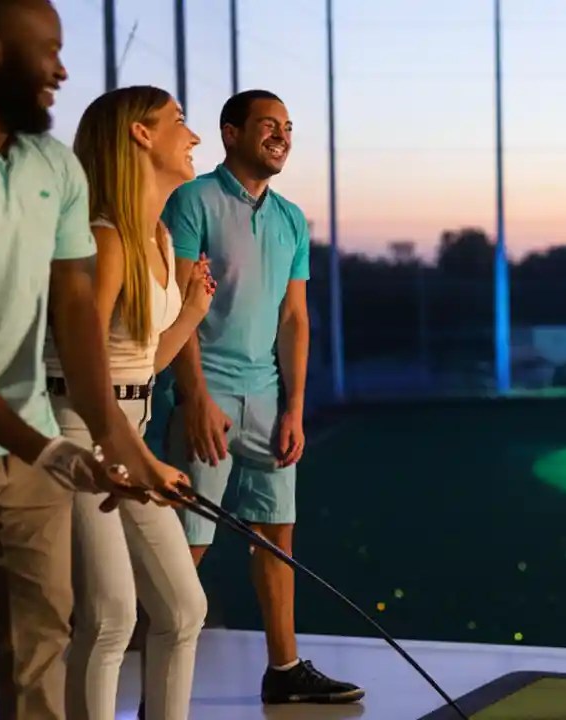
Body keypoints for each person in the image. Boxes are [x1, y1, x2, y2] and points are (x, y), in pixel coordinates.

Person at [0, 2, 187, 719]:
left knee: (43, 646)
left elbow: (75, 313)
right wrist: (46, 445)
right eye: (48, 52)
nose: (63, 71)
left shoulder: (50, 164)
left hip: (37, 439)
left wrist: (121, 442)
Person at [158, 89, 363, 705]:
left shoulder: (292, 218)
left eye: (288, 127)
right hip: (208, 394)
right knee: (185, 547)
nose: (282, 136)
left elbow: (294, 319)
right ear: (231, 133)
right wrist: (193, 397)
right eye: (268, 125)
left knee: (277, 536)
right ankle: (158, 692)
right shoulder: (191, 201)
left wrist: (296, 407)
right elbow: (177, 305)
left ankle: (284, 670)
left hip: (268, 399)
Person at [40, 84, 213, 720]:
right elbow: (85, 372)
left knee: (183, 608)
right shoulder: (102, 238)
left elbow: (142, 366)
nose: (192, 137)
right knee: (111, 616)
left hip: (126, 434)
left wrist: (191, 309)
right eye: (180, 122)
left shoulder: (162, 241)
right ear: (141, 134)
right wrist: (128, 453)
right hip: (77, 435)